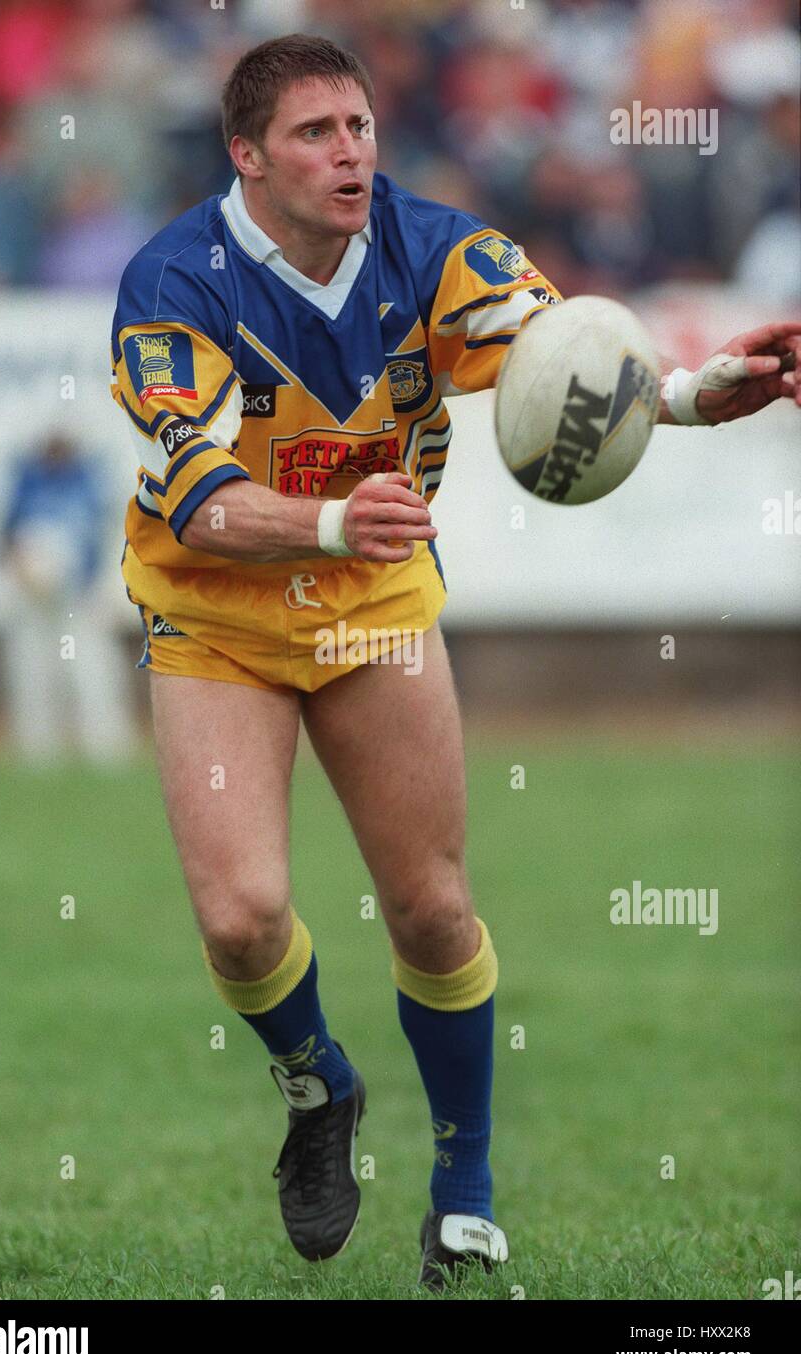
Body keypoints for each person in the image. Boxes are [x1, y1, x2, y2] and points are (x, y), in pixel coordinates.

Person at [110, 34, 800, 1290]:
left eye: (360, 127)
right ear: (246, 154)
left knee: (430, 907)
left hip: (375, 604)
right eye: (316, 133)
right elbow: (202, 501)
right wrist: (329, 517)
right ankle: (320, 1085)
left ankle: (465, 1196)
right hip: (216, 614)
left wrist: (699, 394)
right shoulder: (173, 282)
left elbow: (567, 366)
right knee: (242, 916)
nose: (350, 153)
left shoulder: (442, 248)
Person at [0, 432, 137, 763]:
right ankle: (38, 751)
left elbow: (108, 536)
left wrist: (102, 585)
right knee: (32, 670)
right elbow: (5, 537)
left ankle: (107, 748)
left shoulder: (90, 482)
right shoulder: (25, 482)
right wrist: (22, 567)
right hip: (31, 600)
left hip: (81, 596)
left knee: (91, 670)